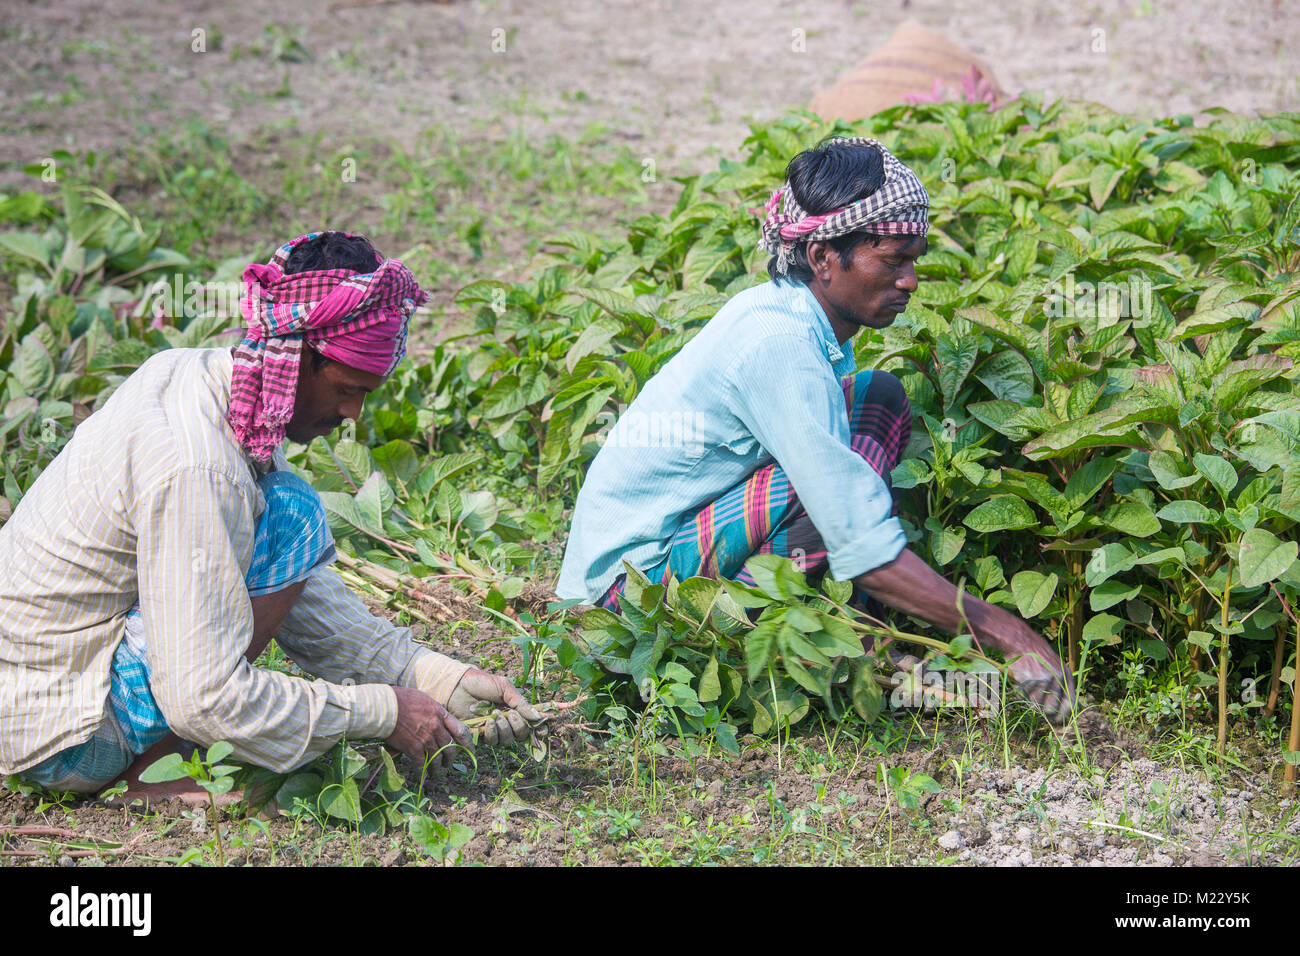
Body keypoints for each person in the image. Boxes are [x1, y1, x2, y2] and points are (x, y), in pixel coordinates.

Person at [0, 231, 543, 803]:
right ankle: (153, 775)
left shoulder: (209, 383)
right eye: (349, 389)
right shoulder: (197, 465)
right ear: (301, 356)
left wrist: (428, 674)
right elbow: (202, 696)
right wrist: (382, 712)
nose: (353, 413)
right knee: (294, 514)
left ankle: (162, 760)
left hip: (37, 697)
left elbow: (278, 566)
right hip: (68, 739)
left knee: (283, 514)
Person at [557, 137, 1074, 722]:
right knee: (827, 487)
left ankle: (857, 640)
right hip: (626, 608)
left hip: (665, 558)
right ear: (825, 257)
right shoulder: (780, 346)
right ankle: (836, 654)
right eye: (892, 261)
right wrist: (1008, 633)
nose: (910, 281)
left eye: (915, 261)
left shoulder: (789, 317)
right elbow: (859, 540)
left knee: (875, 399)